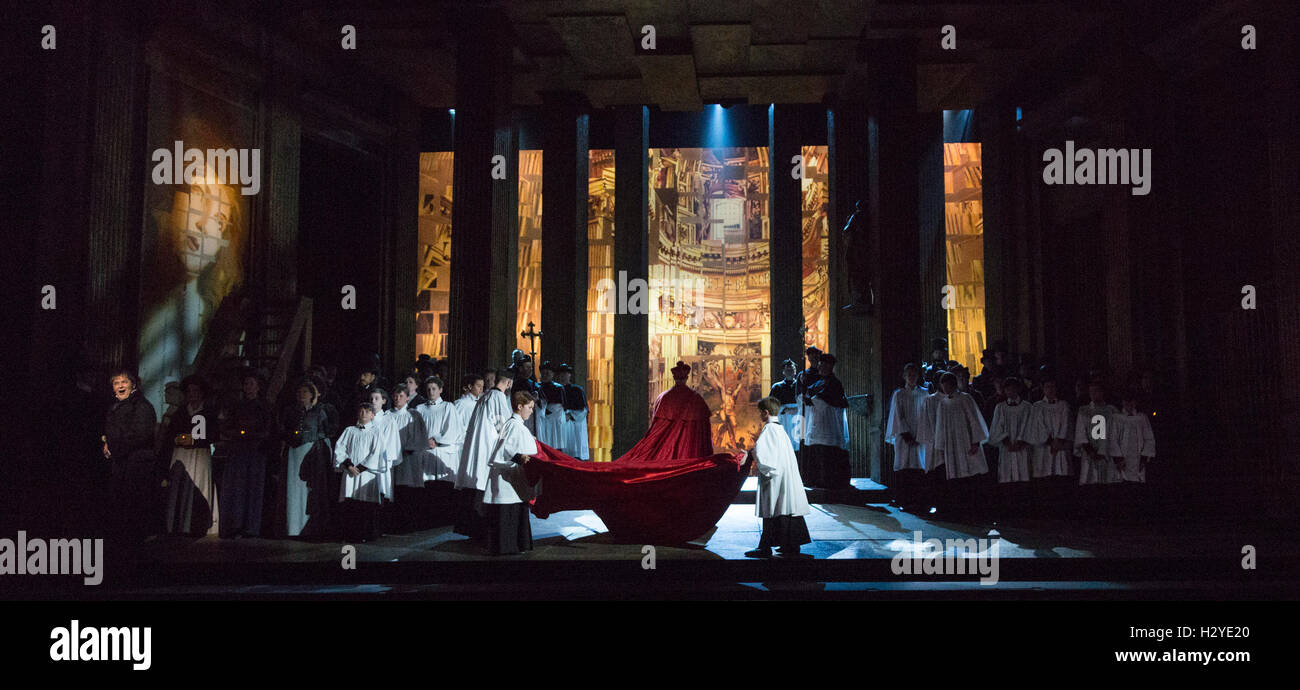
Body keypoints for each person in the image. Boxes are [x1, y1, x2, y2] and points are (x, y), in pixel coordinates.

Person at [745, 397, 813, 559]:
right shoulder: (780, 429)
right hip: (785, 477)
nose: (760, 415)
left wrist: (751, 454)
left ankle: (765, 547)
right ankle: (790, 544)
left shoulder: (769, 430)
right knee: (786, 509)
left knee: (774, 508)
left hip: (775, 479)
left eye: (760, 412)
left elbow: (764, 456)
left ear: (766, 413)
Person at [454, 368, 515, 536]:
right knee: (483, 486)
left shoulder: (485, 397)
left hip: (478, 447)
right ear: (509, 383)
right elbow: (503, 425)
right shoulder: (498, 397)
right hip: (486, 449)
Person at [479, 391, 541, 555]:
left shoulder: (517, 425)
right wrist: (520, 457)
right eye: (529, 407)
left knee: (517, 509)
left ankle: (516, 545)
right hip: (507, 479)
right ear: (520, 407)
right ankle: (507, 547)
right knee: (508, 512)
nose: (531, 411)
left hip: (515, 478)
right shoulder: (513, 425)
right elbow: (505, 450)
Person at [103, 369, 160, 541]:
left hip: (137, 462)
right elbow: (112, 429)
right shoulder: (115, 406)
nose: (120, 386)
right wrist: (107, 443)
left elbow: (140, 434)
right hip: (122, 460)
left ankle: (140, 535)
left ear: (133, 385)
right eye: (116, 383)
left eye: (124, 382)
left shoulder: (142, 406)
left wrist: (114, 446)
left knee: (136, 500)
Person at [218, 370, 273, 539]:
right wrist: (236, 434)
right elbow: (226, 426)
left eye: (251, 384)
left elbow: (267, 430)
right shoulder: (236, 406)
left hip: (256, 452)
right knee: (237, 489)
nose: (248, 387)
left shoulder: (264, 407)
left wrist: (250, 435)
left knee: (253, 489)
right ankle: (235, 525)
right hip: (238, 451)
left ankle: (251, 527)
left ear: (258, 387)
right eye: (246, 384)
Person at [164, 376, 219, 536]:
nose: (192, 394)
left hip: (199, 455)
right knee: (180, 487)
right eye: (189, 391)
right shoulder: (180, 413)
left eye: (195, 391)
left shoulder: (208, 413)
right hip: (182, 454)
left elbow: (213, 434)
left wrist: (196, 440)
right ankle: (179, 524)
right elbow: (171, 434)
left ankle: (197, 523)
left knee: (199, 483)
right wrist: (178, 438)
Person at [280, 379, 333, 538]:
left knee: (306, 489)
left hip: (310, 452)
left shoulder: (319, 412)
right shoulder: (290, 411)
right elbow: (283, 428)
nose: (301, 395)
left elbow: (325, 431)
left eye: (305, 392)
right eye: (300, 392)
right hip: (294, 452)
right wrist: (290, 438)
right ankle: (293, 527)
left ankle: (308, 527)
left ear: (312, 395)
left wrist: (314, 439)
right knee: (293, 487)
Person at [933, 372, 989, 515]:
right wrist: (941, 446)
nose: (945, 389)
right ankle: (958, 510)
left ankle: (971, 509)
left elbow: (974, 419)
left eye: (948, 385)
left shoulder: (965, 399)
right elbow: (940, 426)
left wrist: (976, 441)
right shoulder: (943, 403)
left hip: (966, 442)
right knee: (955, 475)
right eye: (943, 386)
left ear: (953, 384)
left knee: (970, 474)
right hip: (951, 445)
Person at [333, 399, 389, 542]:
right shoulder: (349, 430)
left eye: (368, 411)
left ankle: (366, 534)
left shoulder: (376, 432)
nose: (364, 413)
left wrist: (361, 467)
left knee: (365, 504)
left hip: (367, 474)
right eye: (361, 410)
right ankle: (350, 534)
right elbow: (340, 448)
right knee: (351, 503)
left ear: (372, 415)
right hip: (351, 472)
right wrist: (349, 465)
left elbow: (377, 453)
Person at [986, 376, 1040, 516]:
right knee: (1008, 479)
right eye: (1007, 389)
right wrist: (1006, 441)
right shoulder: (1000, 408)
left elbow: (1031, 426)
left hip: (1023, 449)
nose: (1010, 391)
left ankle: (1025, 511)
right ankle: (1010, 512)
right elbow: (996, 428)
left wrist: (1022, 441)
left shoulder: (1028, 407)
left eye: (1013, 388)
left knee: (1024, 477)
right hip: (1007, 450)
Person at [414, 376, 465, 524]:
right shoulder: (420, 409)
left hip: (443, 451)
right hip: (426, 450)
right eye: (429, 389)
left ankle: (445, 518)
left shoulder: (448, 407)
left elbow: (454, 429)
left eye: (434, 389)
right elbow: (417, 430)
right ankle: (430, 518)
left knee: (444, 486)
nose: (431, 392)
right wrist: (425, 441)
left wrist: (436, 440)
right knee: (428, 487)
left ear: (440, 390)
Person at [801, 353, 849, 490]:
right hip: (817, 422)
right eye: (820, 364)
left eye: (823, 365)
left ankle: (827, 481)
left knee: (827, 454)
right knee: (817, 452)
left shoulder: (834, 383)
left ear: (830, 366)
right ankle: (816, 479)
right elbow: (810, 394)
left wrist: (812, 399)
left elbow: (828, 399)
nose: (820, 367)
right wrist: (806, 392)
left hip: (829, 424)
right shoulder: (819, 381)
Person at [385, 386, 428, 532]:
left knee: (407, 490)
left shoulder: (413, 415)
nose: (398, 399)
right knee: (393, 489)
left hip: (408, 458)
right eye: (396, 396)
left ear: (407, 398)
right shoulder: (387, 415)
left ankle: (408, 524)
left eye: (401, 396)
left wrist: (407, 449)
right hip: (391, 458)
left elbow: (420, 437)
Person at [886, 363, 927, 511]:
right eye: (909, 375)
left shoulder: (924, 394)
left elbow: (926, 416)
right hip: (904, 437)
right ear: (904, 376)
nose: (912, 378)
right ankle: (903, 499)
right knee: (904, 465)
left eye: (914, 375)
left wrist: (921, 435)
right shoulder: (899, 394)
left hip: (920, 436)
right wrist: (906, 434)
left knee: (919, 465)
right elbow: (897, 415)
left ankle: (917, 500)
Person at [1110, 388, 1156, 488]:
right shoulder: (1117, 418)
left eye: (1131, 401)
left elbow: (1149, 439)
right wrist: (1118, 459)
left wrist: (1144, 459)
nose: (1128, 404)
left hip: (1138, 461)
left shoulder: (1141, 418)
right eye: (1126, 401)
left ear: (1135, 402)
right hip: (1123, 461)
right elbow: (1113, 439)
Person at [557, 363, 590, 461]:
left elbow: (583, 410)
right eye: (561, 374)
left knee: (575, 452)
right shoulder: (556, 390)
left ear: (569, 375)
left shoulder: (577, 390)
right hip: (560, 425)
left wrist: (570, 414)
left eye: (565, 374)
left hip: (574, 425)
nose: (563, 376)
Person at [534, 361, 566, 448]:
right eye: (543, 373)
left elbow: (561, 406)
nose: (545, 375)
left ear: (552, 374)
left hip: (555, 420)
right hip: (540, 419)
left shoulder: (558, 388)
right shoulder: (536, 386)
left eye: (548, 373)